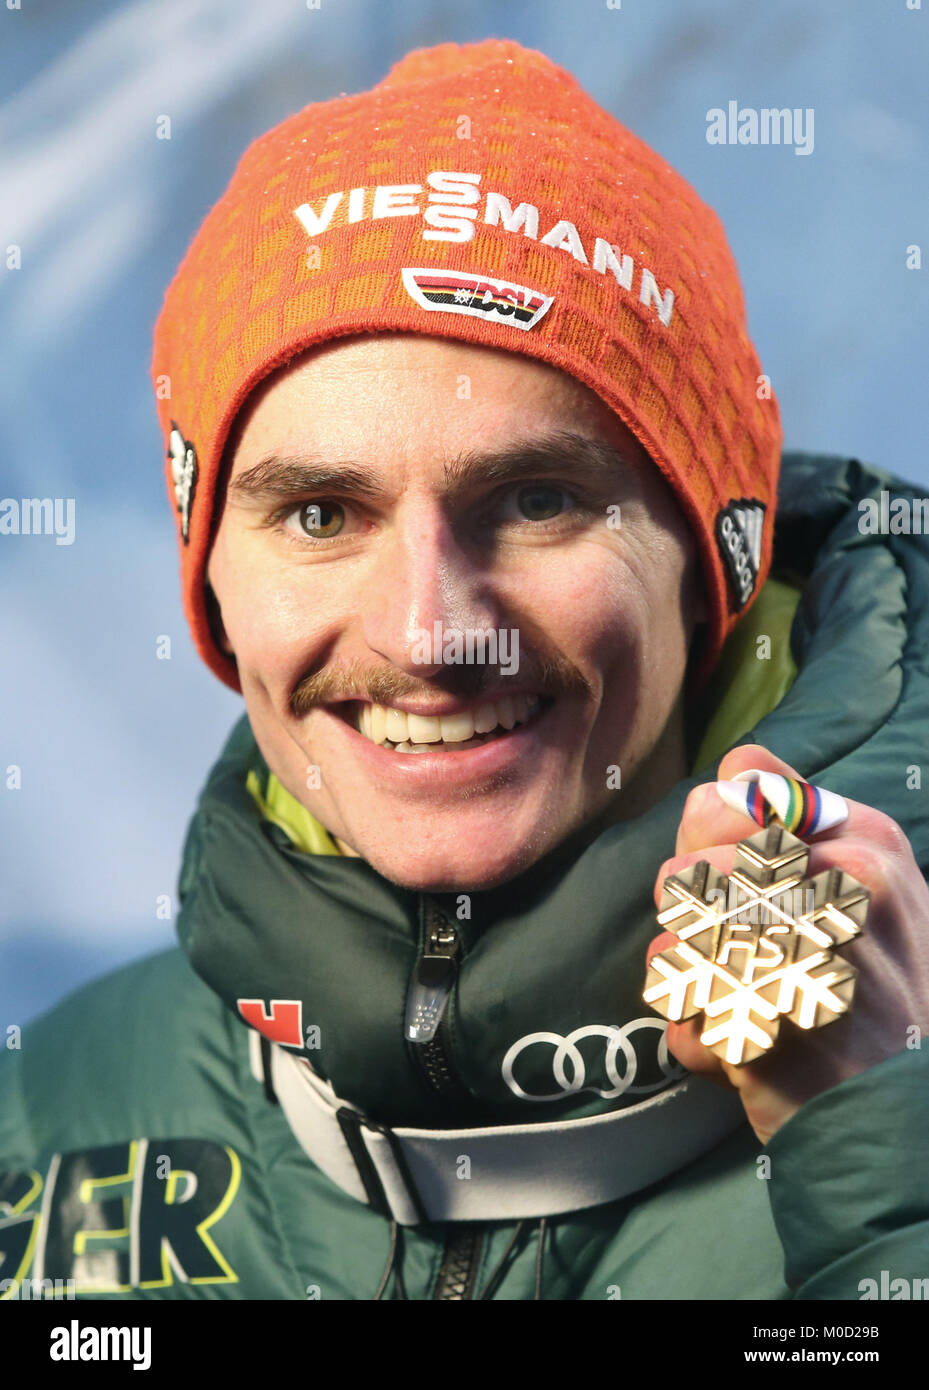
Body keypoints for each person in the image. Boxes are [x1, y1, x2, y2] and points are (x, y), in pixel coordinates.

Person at [3, 39, 928, 1304]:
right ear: (211, 578)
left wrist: (879, 1155)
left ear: (713, 555)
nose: (431, 635)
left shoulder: (899, 1079)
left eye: (536, 499)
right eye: (322, 513)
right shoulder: (52, 1115)